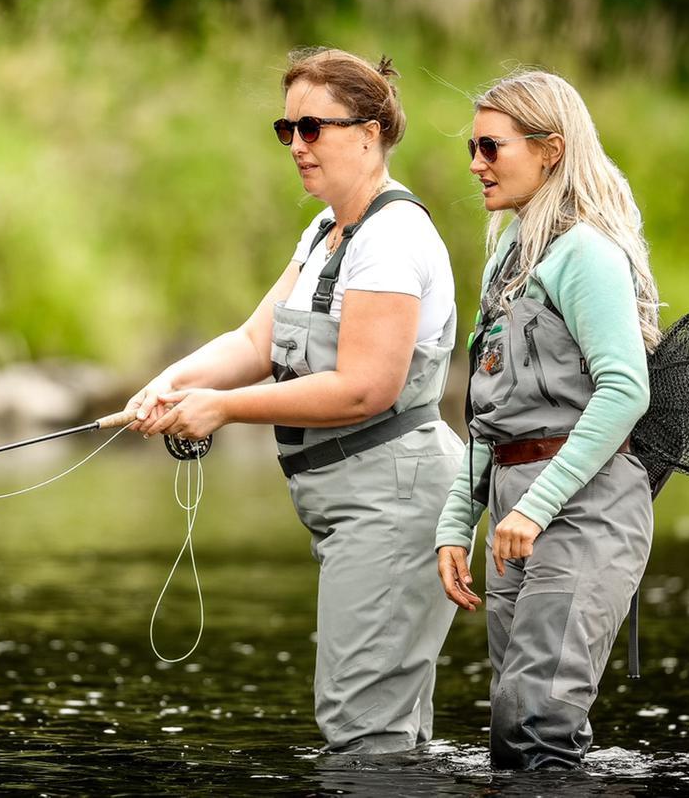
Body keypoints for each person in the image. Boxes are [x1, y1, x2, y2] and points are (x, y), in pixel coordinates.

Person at [128, 47, 465, 755]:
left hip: (396, 501)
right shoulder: (325, 230)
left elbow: (365, 388)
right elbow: (255, 340)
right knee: (382, 726)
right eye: (287, 130)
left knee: (360, 725)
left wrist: (223, 409)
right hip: (358, 502)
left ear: (368, 133)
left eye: (312, 128)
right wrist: (173, 382)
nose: (296, 146)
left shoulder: (393, 237)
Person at [434, 69, 660, 771]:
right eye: (472, 147)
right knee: (512, 728)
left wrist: (535, 507)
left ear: (550, 150)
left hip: (585, 508)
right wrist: (456, 521)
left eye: (491, 147)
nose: (476, 163)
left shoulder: (588, 254)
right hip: (514, 510)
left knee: (538, 722)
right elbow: (488, 411)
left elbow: (625, 391)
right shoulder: (505, 258)